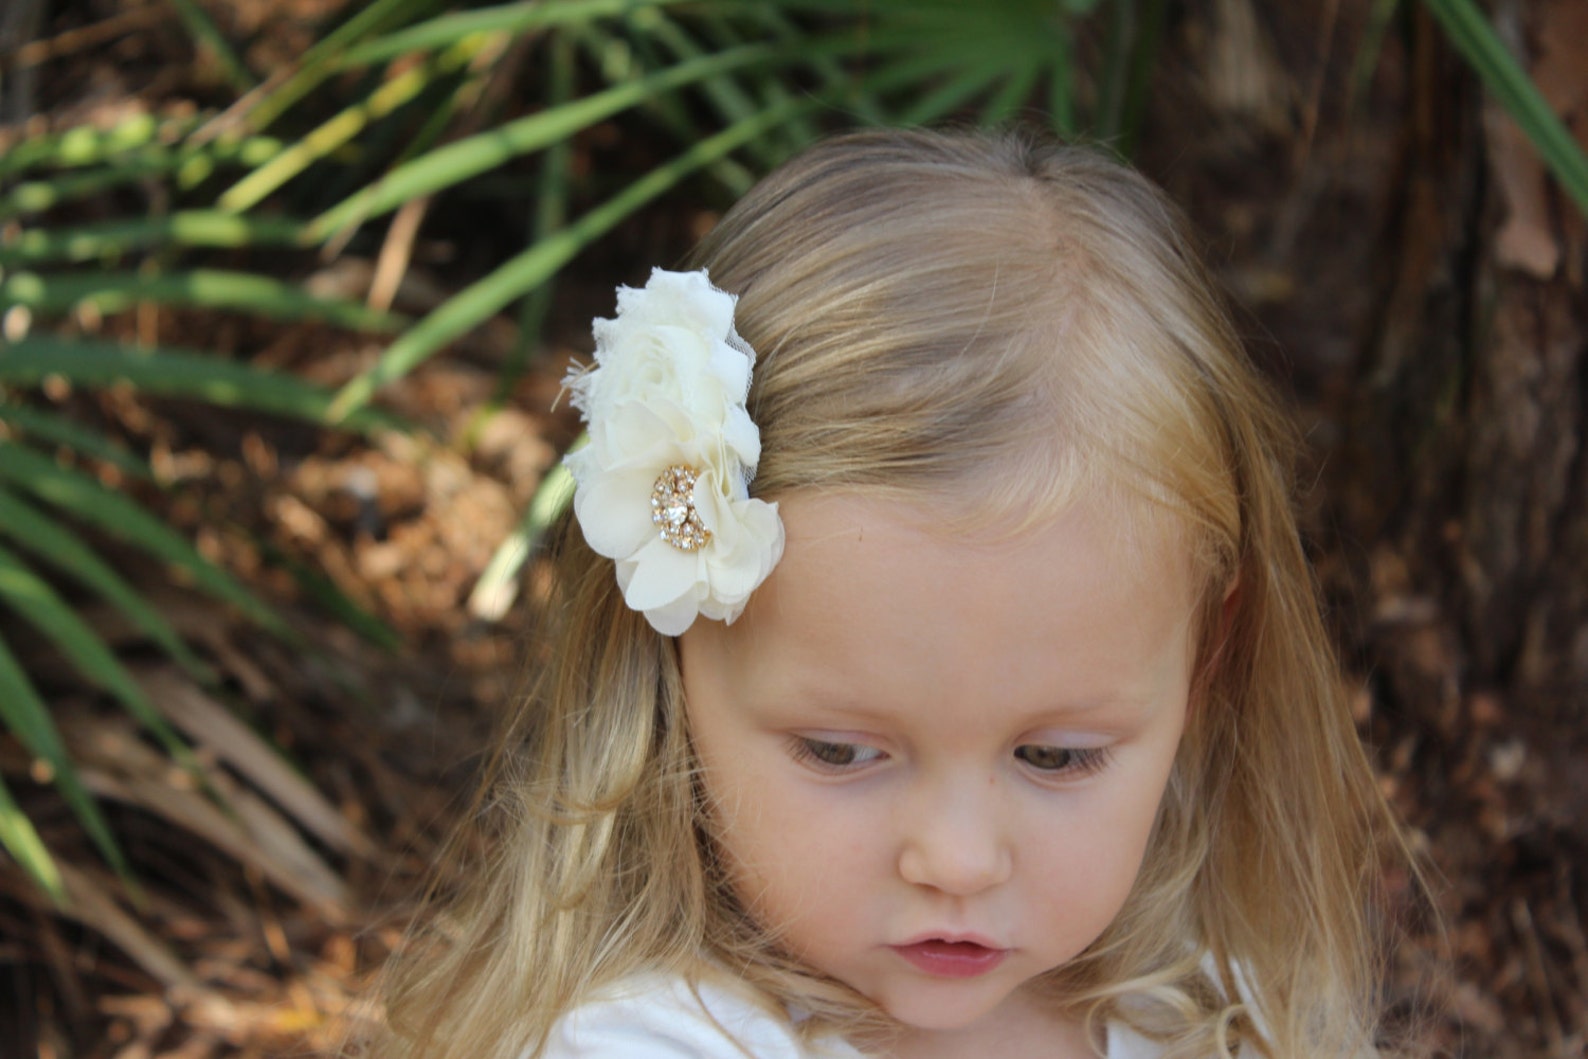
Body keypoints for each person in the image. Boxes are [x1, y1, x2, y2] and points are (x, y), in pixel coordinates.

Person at [373, 127, 1421, 1058]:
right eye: (840, 752)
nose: (956, 861)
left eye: (1055, 756)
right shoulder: (654, 1043)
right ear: (675, 664)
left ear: (1206, 661)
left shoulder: (1208, 1019)